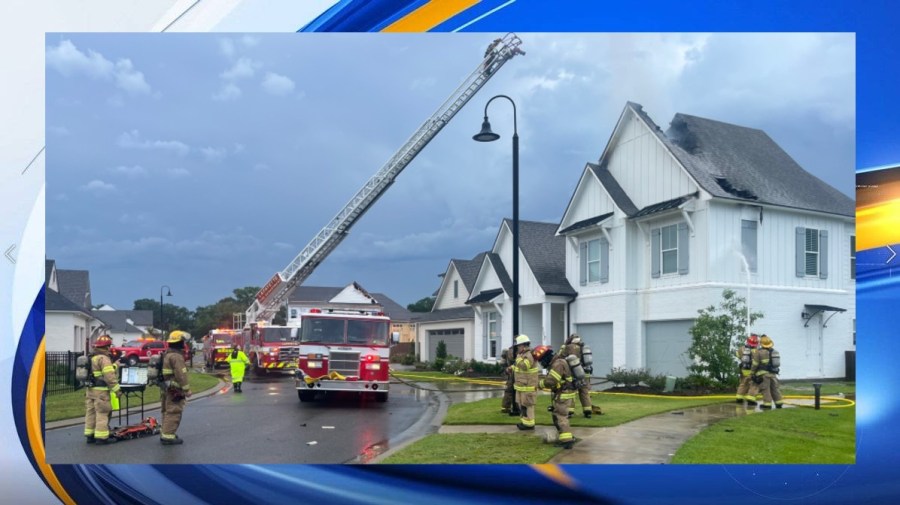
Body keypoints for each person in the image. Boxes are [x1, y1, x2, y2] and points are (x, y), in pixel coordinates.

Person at [536, 345, 580, 449]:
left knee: (561, 416)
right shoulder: (558, 362)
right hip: (564, 392)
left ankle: (567, 441)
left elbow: (551, 381)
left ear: (545, 358)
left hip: (563, 393)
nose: (541, 364)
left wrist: (540, 384)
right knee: (558, 415)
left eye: (541, 361)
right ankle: (566, 436)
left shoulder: (558, 364)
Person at [84, 335, 123, 445]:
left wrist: (115, 365)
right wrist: (117, 390)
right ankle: (101, 438)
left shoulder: (92, 357)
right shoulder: (104, 359)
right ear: (106, 347)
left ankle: (90, 435)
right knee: (102, 413)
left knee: (91, 413)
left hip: (90, 391)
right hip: (101, 393)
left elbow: (100, 372)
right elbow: (109, 377)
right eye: (109, 346)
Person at [160, 330, 192, 445]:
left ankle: (165, 432)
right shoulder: (176, 357)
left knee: (166, 410)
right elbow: (181, 374)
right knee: (174, 411)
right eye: (183, 342)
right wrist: (187, 389)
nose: (184, 344)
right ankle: (168, 436)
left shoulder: (167, 354)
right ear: (179, 343)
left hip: (166, 387)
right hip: (175, 390)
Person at [561, 334, 595, 418]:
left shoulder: (568, 347)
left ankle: (570, 412)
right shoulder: (583, 347)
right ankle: (587, 411)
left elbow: (561, 357)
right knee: (584, 392)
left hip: (574, 373)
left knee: (571, 391)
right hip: (585, 373)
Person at [512, 334, 539, 430]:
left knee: (528, 405)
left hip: (528, 386)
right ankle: (525, 422)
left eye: (518, 346)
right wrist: (511, 368)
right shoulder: (522, 354)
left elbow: (525, 366)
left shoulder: (529, 354)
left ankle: (529, 424)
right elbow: (519, 368)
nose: (517, 348)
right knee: (522, 405)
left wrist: (518, 358)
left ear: (523, 345)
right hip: (521, 386)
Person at [752, 334, 784, 409]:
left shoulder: (759, 352)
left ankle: (767, 404)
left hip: (764, 375)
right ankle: (779, 403)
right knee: (775, 389)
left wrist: (752, 372)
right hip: (773, 374)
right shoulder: (775, 352)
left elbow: (755, 364)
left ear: (761, 343)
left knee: (765, 389)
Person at [735, 333, 760, 405]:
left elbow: (737, 355)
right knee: (754, 384)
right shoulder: (756, 351)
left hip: (743, 370)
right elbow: (758, 361)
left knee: (743, 384)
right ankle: (751, 399)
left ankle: (739, 398)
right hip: (752, 371)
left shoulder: (741, 348)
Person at [499, 343, 520, 416]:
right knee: (511, 391)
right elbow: (513, 361)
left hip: (512, 373)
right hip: (513, 373)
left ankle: (506, 407)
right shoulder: (512, 351)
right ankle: (509, 407)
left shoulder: (510, 350)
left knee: (510, 391)